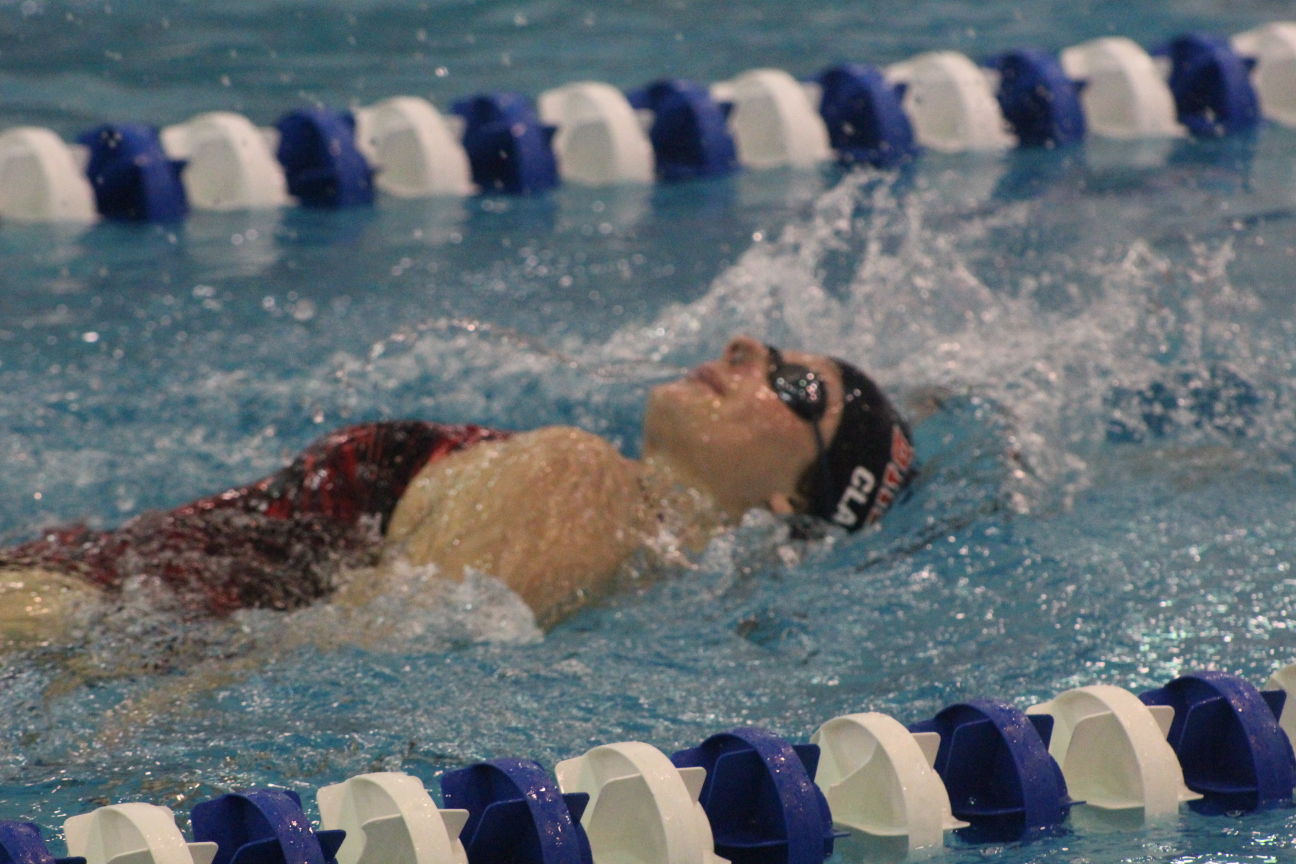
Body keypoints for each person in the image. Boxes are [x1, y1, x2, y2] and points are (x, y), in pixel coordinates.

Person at [0, 335, 914, 643]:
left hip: (64, 610)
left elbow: (353, 642)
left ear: (794, 501)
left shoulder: (579, 473)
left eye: (795, 385)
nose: (747, 345)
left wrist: (146, 724)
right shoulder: (636, 559)